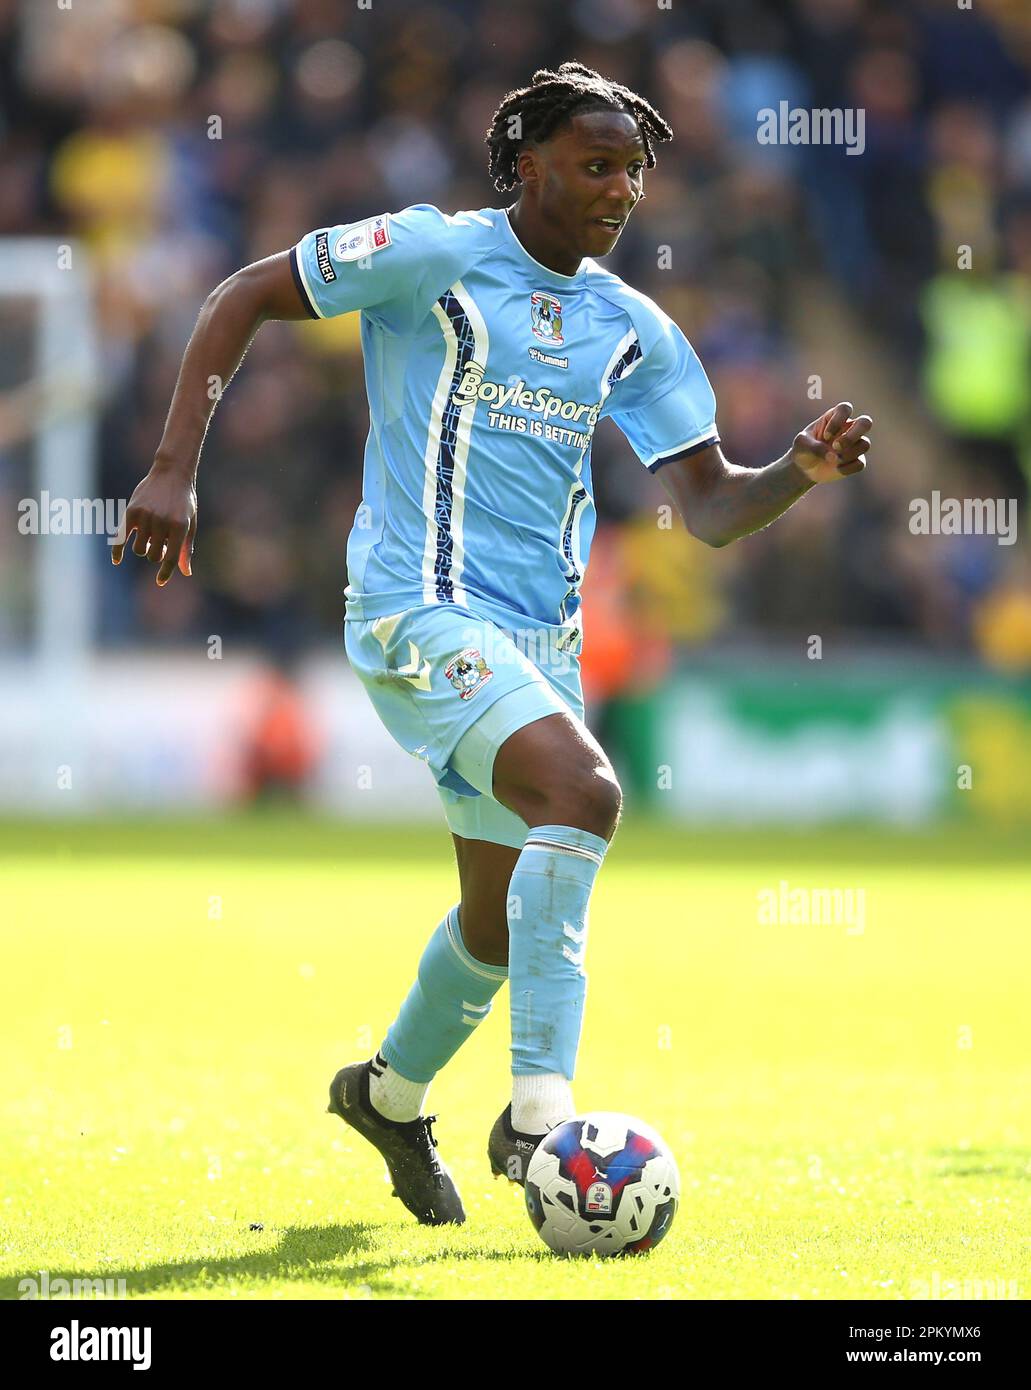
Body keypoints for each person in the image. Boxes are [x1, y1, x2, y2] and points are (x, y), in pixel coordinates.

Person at [112, 62, 873, 1226]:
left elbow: (711, 505)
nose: (619, 187)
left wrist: (798, 474)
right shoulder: (432, 252)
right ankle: (539, 1122)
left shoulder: (633, 328)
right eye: (594, 163)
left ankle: (387, 1093)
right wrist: (173, 467)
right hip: (414, 610)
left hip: (538, 640)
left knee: (494, 920)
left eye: (632, 170)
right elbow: (241, 295)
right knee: (585, 789)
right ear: (527, 165)